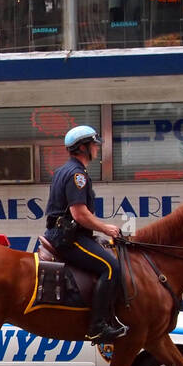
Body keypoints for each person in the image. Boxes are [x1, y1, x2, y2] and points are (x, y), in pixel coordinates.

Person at [44, 124, 127, 342]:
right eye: (94, 145)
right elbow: (79, 214)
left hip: (67, 233)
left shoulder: (64, 170)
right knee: (111, 267)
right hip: (69, 238)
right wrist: (106, 228)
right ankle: (98, 326)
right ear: (83, 148)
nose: (97, 149)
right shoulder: (76, 175)